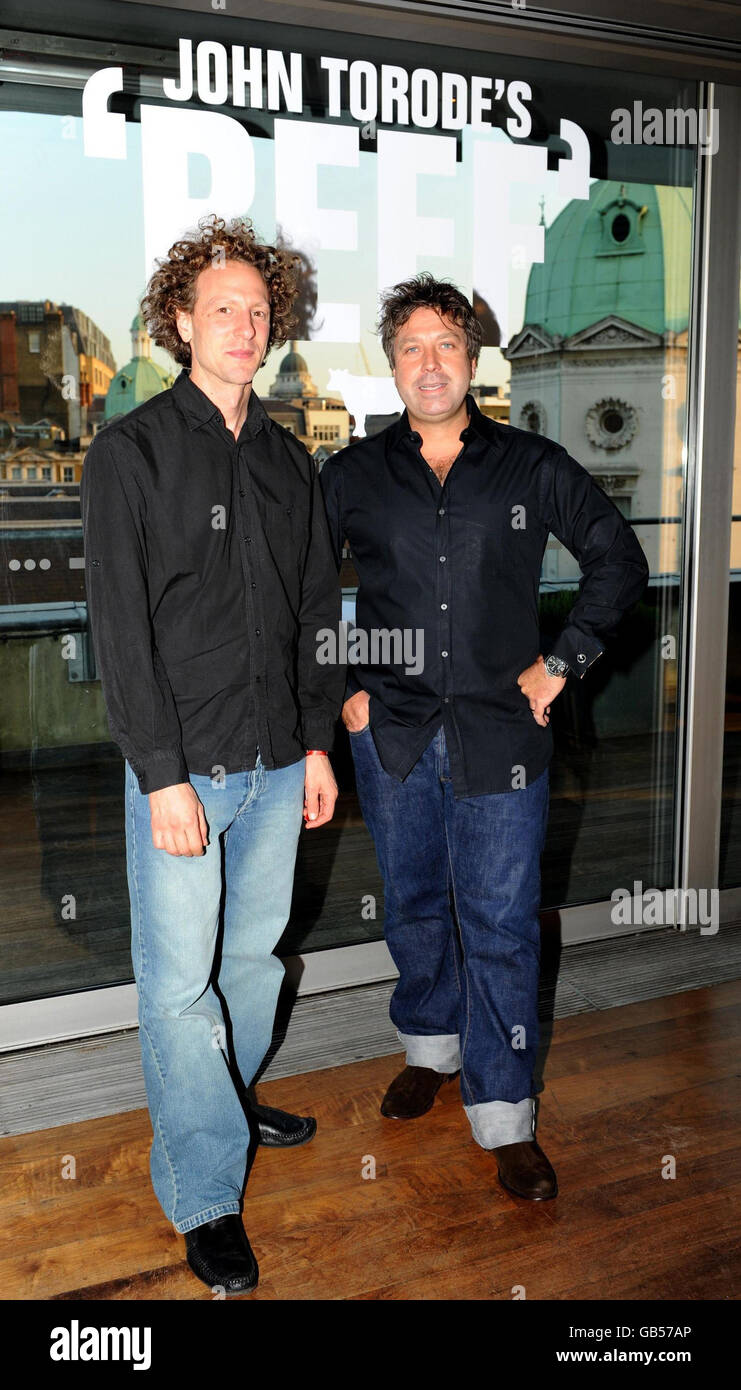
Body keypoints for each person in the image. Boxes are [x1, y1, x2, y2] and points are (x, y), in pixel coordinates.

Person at [320, 273, 649, 1202]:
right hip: (391, 735)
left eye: (446, 345)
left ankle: (504, 1114)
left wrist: (563, 663)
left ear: (471, 358)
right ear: (391, 365)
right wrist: (342, 686)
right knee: (417, 903)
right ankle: (429, 1047)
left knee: (501, 926)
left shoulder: (532, 466)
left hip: (503, 733)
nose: (430, 362)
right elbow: (297, 591)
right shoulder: (349, 474)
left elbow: (616, 561)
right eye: (411, 347)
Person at [80, 214, 344, 1293]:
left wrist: (319, 744)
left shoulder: (290, 462)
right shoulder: (128, 453)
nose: (245, 325)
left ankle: (222, 1108)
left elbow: (318, 610)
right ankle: (204, 1189)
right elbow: (120, 630)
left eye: (259, 309)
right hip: (186, 767)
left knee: (253, 965)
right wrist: (161, 776)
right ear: (180, 322)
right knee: (180, 990)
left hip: (281, 764)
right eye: (222, 307)